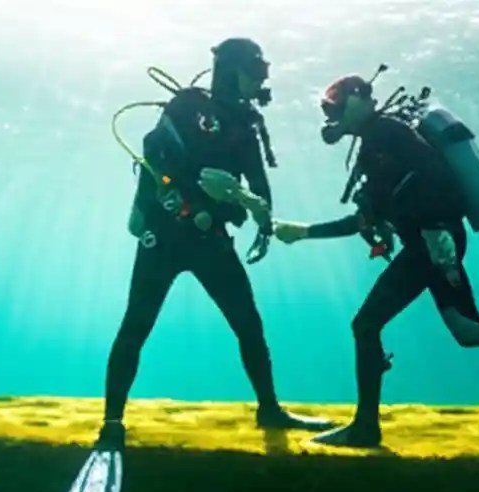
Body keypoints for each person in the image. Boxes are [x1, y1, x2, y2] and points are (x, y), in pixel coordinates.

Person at [269, 73, 479, 449]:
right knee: (468, 331)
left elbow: (430, 178)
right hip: (434, 242)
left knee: (366, 325)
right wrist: (305, 232)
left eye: (336, 102)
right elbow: (370, 216)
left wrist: (435, 228)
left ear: (358, 100)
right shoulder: (379, 143)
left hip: (431, 244)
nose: (331, 112)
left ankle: (365, 427)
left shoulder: (384, 133)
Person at [97, 37, 335, 456]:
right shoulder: (189, 105)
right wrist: (171, 205)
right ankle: (112, 422)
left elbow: (259, 184)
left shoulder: (247, 122)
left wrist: (260, 219)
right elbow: (155, 154)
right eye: (258, 68)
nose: (263, 77)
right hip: (165, 235)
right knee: (137, 324)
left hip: (210, 239)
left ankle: (269, 409)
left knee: (248, 322)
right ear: (233, 70)